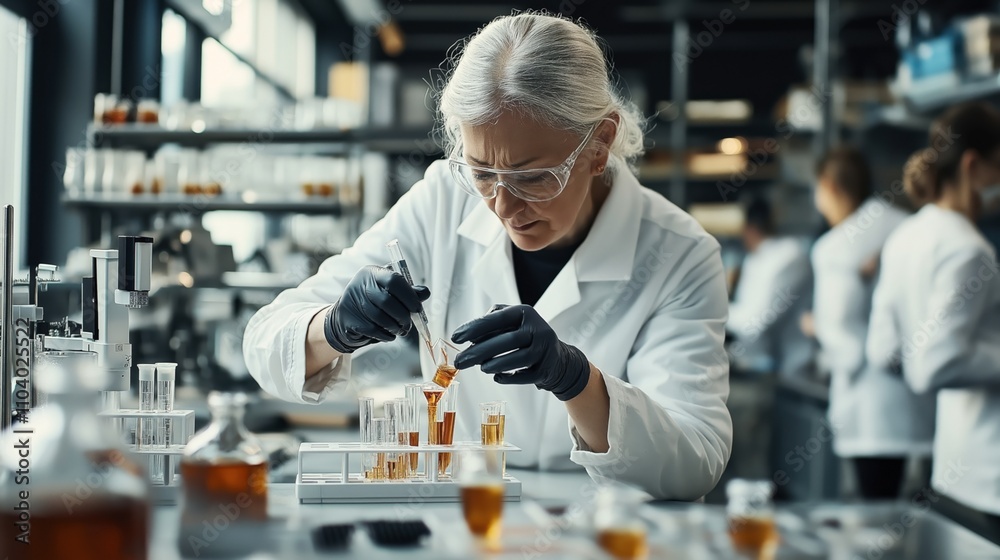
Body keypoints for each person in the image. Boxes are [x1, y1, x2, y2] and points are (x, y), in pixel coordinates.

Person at [242, 12, 732, 499]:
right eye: (480, 172)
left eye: (533, 177)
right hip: (465, 515)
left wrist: (577, 380)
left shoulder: (679, 254)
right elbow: (265, 342)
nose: (502, 205)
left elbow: (695, 461)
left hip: (603, 528)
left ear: (599, 145)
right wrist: (335, 326)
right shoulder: (441, 201)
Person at [867, 102, 1000, 525]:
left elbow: (883, 351)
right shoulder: (970, 250)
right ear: (973, 164)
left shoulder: (907, 234)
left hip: (953, 469)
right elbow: (934, 366)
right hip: (989, 471)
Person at [810, 146, 935, 499]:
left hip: (869, 409)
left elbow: (845, 345)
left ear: (830, 185)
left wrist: (816, 326)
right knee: (915, 513)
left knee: (875, 516)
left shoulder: (833, 247)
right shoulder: (906, 226)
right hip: (918, 398)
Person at [727, 196, 814, 377]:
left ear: (749, 229)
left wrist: (716, 311)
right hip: (758, 364)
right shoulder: (755, 259)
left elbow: (757, 322)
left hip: (791, 368)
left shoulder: (789, 256)